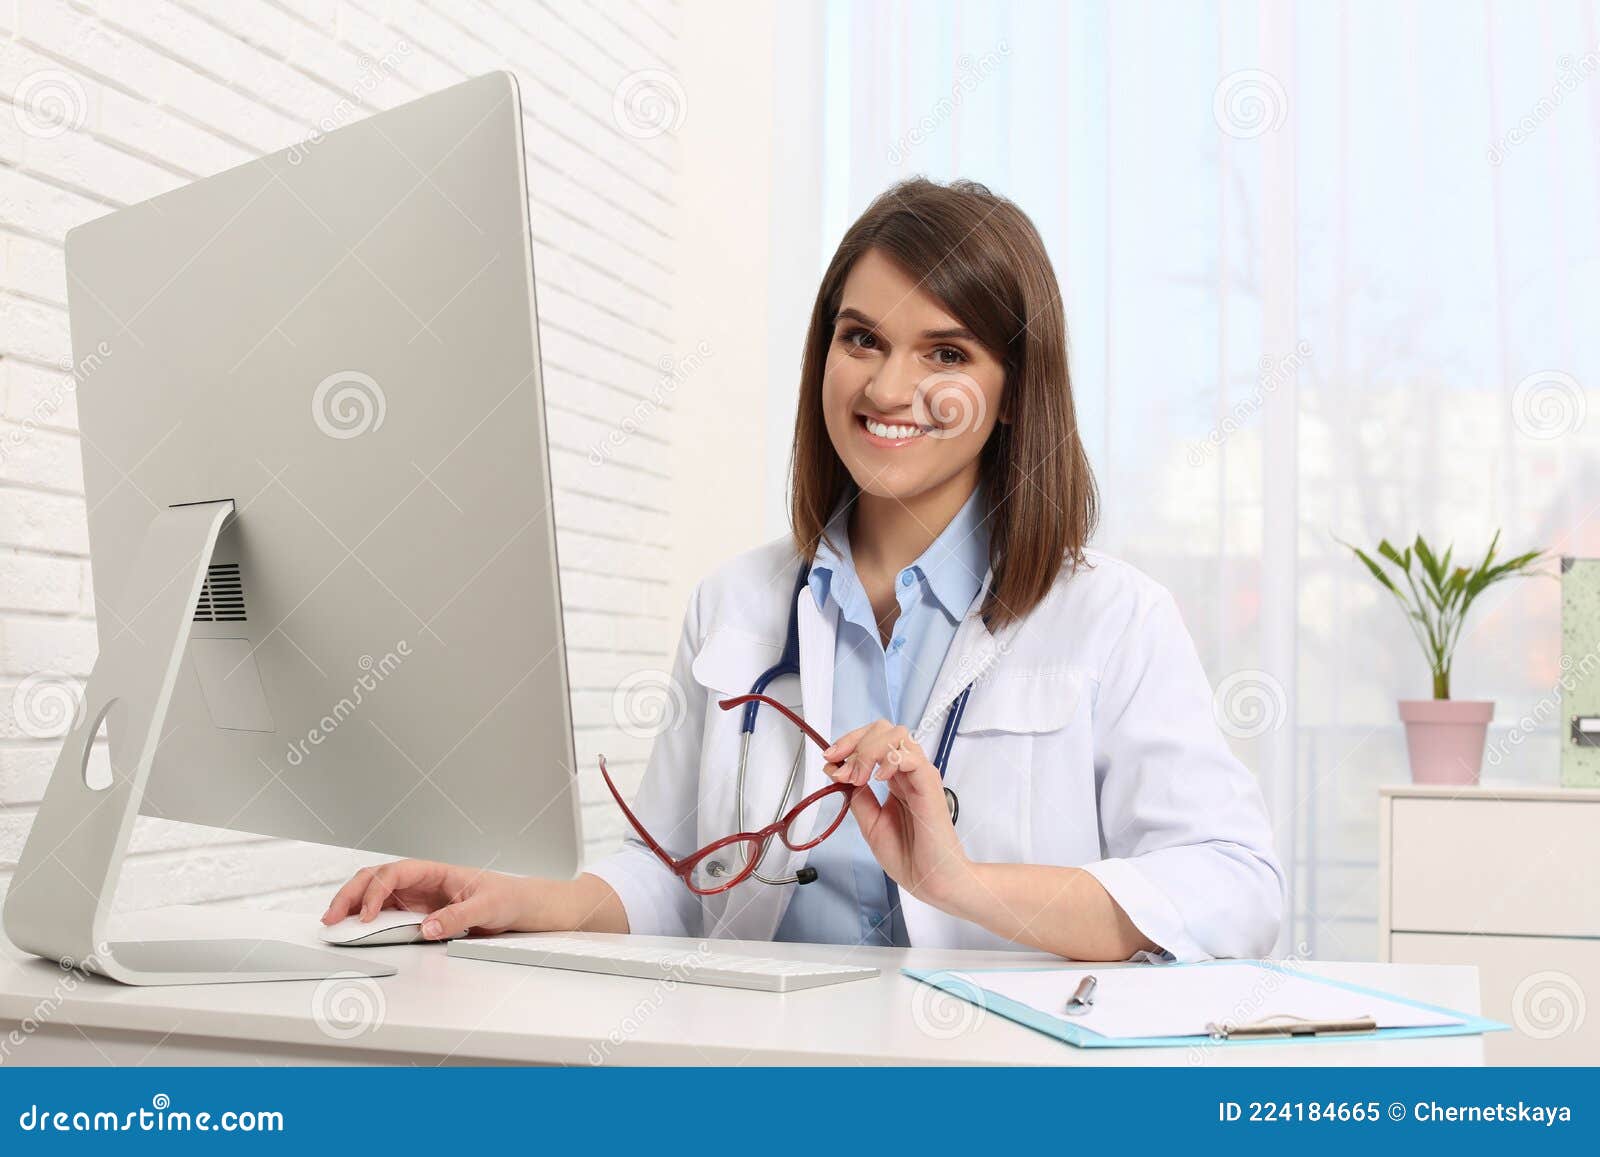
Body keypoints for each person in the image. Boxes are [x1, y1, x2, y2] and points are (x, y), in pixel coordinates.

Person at [323, 178, 1284, 962]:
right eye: (862, 338)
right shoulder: (733, 605)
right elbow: (674, 875)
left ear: (1010, 395)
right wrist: (516, 897)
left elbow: (1236, 888)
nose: (889, 387)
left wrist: (961, 885)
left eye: (945, 352)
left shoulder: (1113, 618)